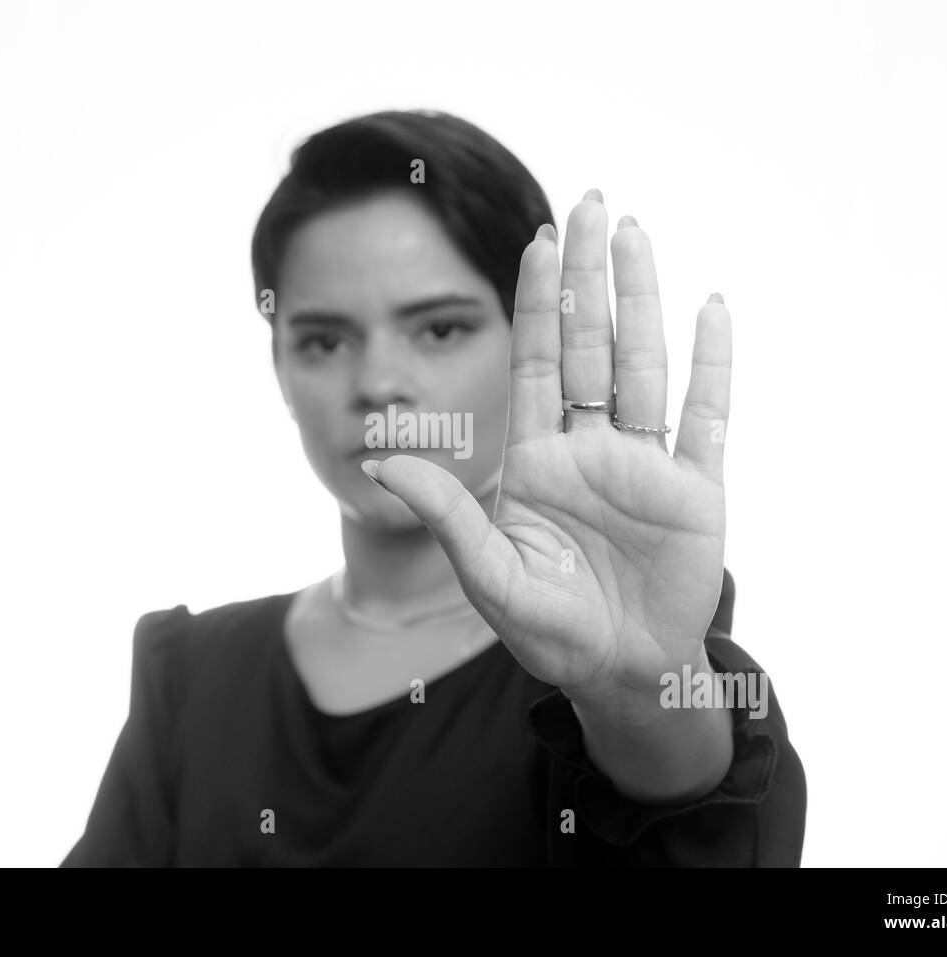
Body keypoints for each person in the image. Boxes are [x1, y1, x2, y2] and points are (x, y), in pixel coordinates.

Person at [61, 109, 806, 867]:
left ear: (533, 339)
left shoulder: (604, 652)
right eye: (323, 340)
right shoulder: (193, 675)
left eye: (439, 328)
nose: (379, 384)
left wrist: (636, 696)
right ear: (279, 369)